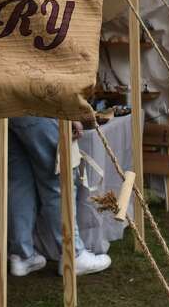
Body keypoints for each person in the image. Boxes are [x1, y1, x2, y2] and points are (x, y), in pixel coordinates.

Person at [7, 116, 111, 277]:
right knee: (59, 181)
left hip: (7, 111)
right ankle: (73, 255)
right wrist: (70, 113)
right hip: (37, 108)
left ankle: (22, 255)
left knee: (20, 183)